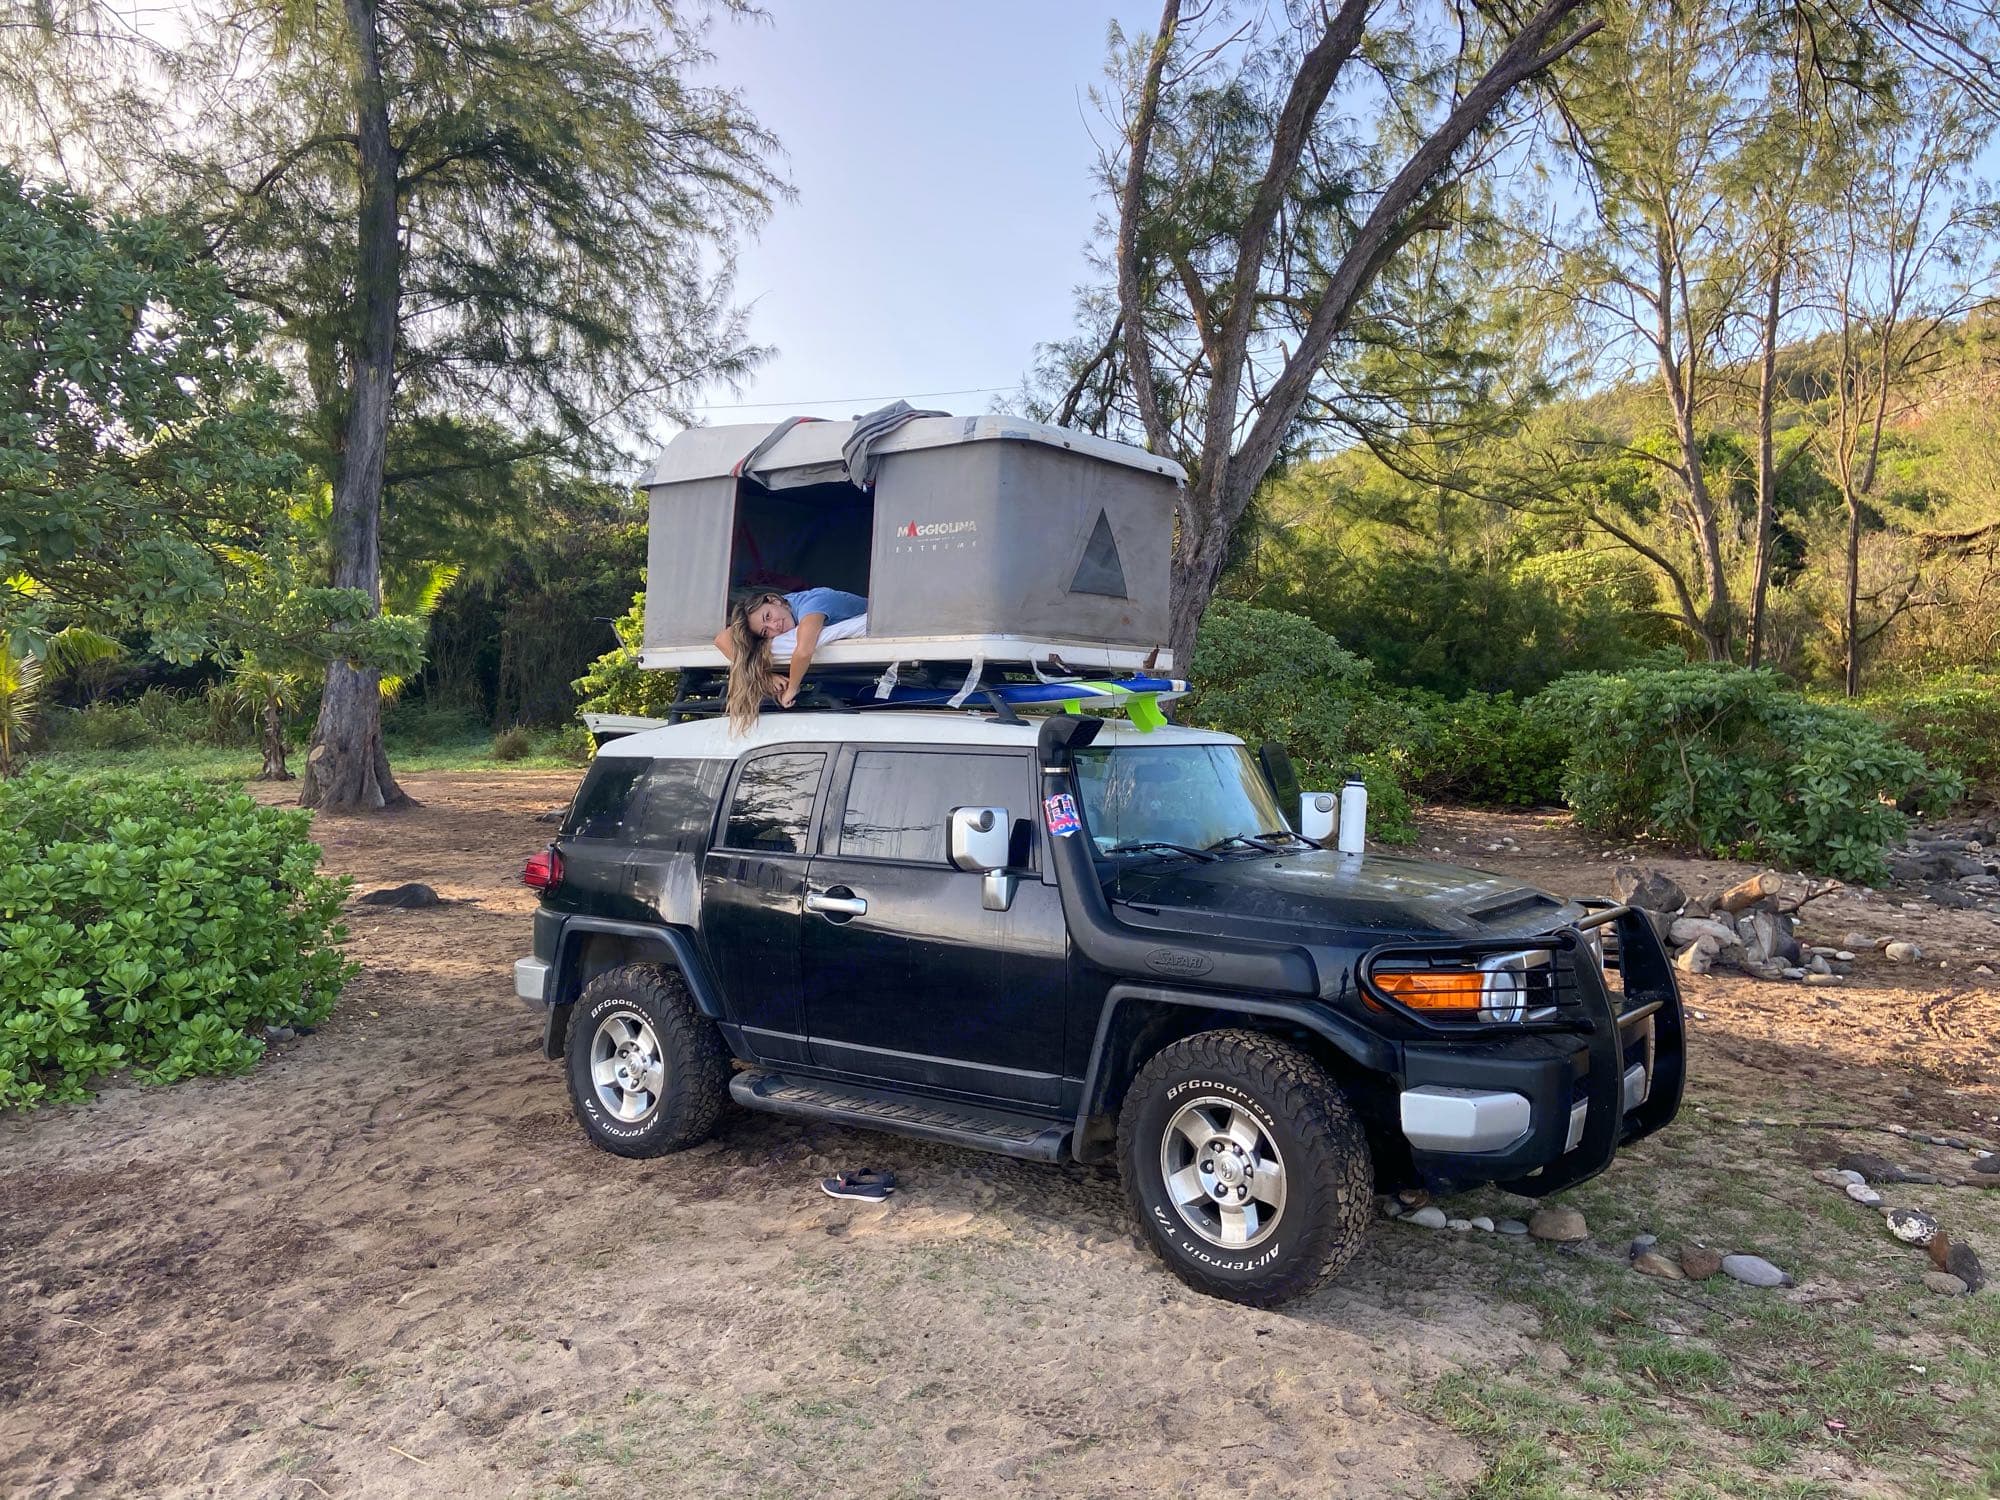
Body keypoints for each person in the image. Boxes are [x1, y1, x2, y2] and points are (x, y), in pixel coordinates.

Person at [714, 586, 868, 733]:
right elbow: (721, 640)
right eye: (765, 631)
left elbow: (803, 651)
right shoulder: (779, 606)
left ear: (774, 600)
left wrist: (792, 688)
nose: (775, 626)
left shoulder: (813, 602)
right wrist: (765, 676)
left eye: (768, 616)